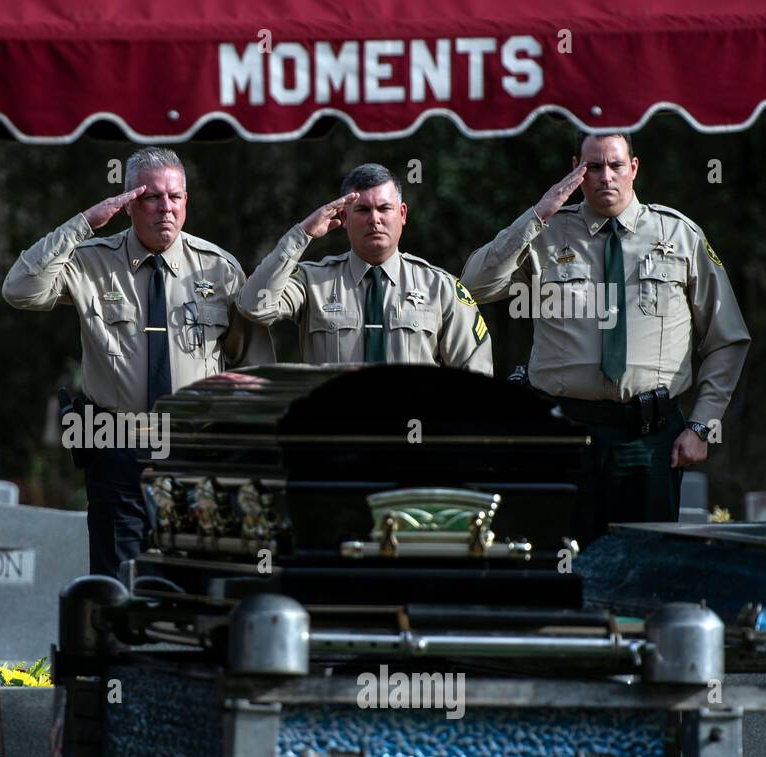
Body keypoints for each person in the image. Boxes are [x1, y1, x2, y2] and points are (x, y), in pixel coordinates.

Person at [2, 146, 274, 577]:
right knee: (119, 579)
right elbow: (19, 289)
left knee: (197, 571)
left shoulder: (219, 269)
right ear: (128, 203)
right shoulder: (91, 261)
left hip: (194, 447)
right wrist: (83, 225)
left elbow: (253, 367)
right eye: (151, 197)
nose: (165, 207)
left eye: (175, 197)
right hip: (116, 443)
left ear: (187, 202)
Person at [461, 132, 751, 534]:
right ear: (576, 171)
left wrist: (702, 425)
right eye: (592, 167)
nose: (605, 177)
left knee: (644, 570)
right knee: (563, 563)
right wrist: (537, 215)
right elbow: (471, 287)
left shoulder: (679, 236)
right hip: (563, 436)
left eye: (615, 165)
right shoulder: (545, 232)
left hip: (650, 441)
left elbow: (728, 338)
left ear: (633, 168)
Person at [236, 163, 492, 374]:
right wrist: (302, 234)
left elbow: (475, 371)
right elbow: (253, 305)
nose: (375, 219)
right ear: (344, 218)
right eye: (362, 210)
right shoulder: (312, 282)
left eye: (384, 208)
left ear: (402, 214)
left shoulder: (441, 287)